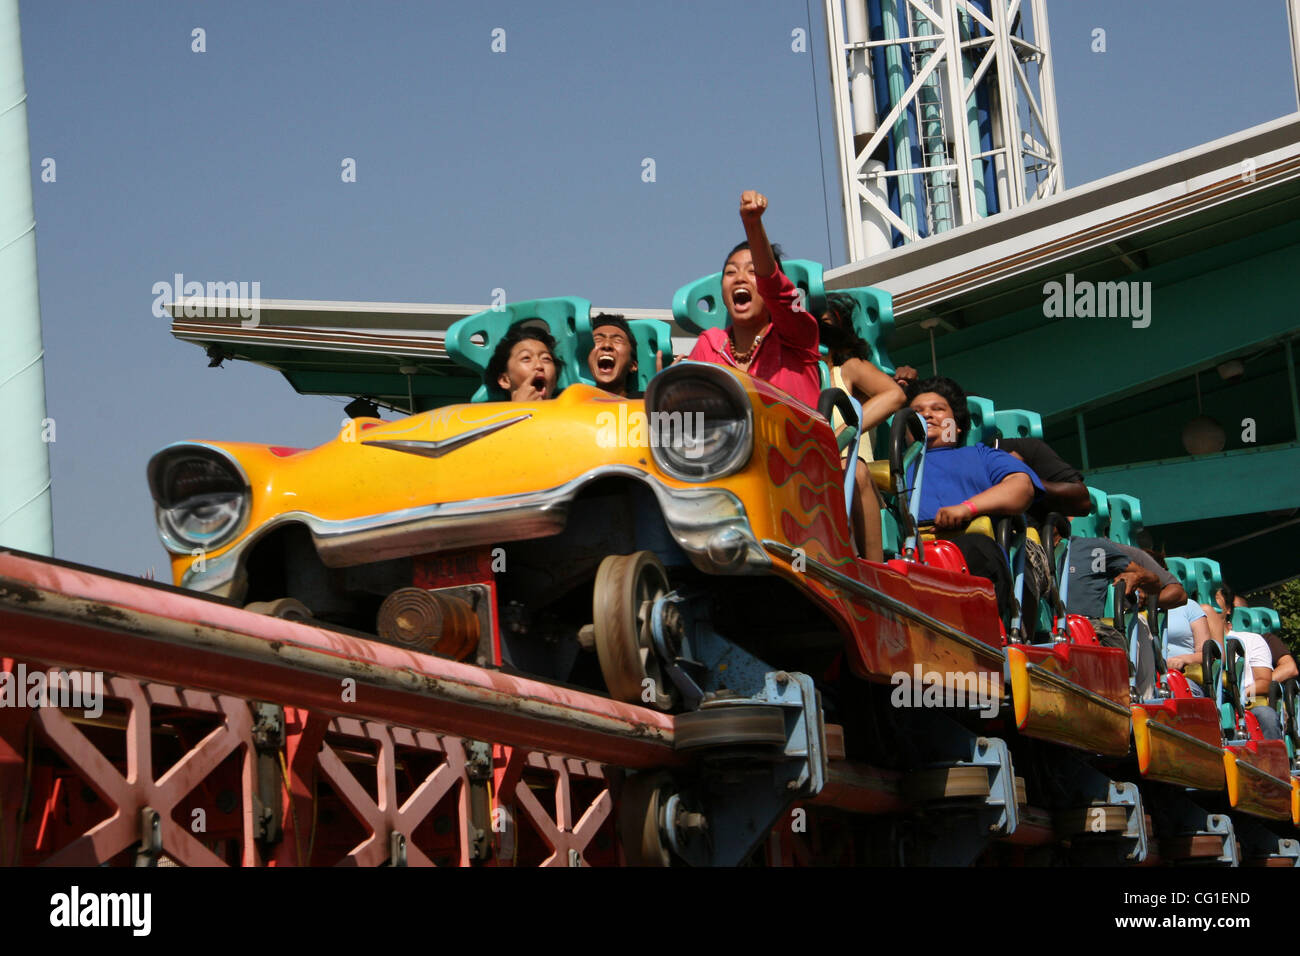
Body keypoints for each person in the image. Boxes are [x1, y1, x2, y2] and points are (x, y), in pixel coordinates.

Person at [904, 376, 1042, 621]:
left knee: (977, 548)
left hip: (969, 548)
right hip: (907, 557)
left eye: (937, 409)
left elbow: (1022, 487)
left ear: (957, 426)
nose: (927, 415)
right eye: (917, 411)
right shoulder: (894, 467)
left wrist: (967, 508)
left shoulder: (981, 455)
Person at [684, 191, 821, 408]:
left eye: (752, 271)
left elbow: (777, 290)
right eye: (730, 272)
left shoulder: (798, 335)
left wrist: (753, 224)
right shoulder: (708, 346)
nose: (739, 278)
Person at [820, 293, 906, 562]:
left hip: (852, 478)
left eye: (823, 325)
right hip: (812, 476)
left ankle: (873, 569)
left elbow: (894, 395)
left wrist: (843, 429)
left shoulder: (847, 369)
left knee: (852, 470)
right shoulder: (787, 377)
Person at [1063, 536, 1186, 698]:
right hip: (1070, 624)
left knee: (1139, 623)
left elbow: (1178, 594)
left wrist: (1145, 597)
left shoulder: (1115, 550)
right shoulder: (1057, 545)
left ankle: (1139, 698)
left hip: (1121, 624)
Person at [486, 325, 560, 402]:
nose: (539, 365)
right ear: (505, 380)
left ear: (554, 380)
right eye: (526, 358)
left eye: (546, 358)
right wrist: (519, 409)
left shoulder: (569, 410)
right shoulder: (491, 413)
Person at [587, 313, 640, 398]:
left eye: (617, 340)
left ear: (632, 365)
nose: (607, 345)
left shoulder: (649, 403)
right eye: (597, 339)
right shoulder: (567, 404)